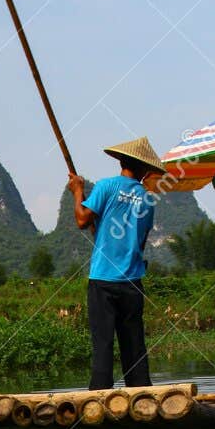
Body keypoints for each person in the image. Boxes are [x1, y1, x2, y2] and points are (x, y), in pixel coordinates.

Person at [67, 137, 166, 391]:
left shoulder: (106, 187)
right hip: (132, 281)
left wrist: (78, 191)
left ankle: (100, 397)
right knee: (134, 345)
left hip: (103, 280)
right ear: (144, 170)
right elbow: (139, 243)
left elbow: (81, 219)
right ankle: (141, 394)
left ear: (121, 161)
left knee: (103, 344)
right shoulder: (147, 200)